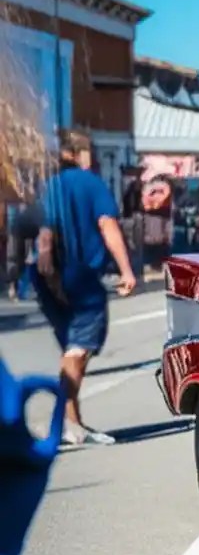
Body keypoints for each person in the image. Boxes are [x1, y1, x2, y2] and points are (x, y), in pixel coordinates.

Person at [31, 129, 137, 447]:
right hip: (78, 273)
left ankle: (73, 423)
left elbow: (44, 230)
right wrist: (126, 270)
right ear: (81, 154)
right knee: (81, 346)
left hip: (47, 274)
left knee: (71, 348)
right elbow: (108, 226)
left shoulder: (49, 185)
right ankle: (65, 423)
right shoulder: (90, 183)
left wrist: (46, 264)